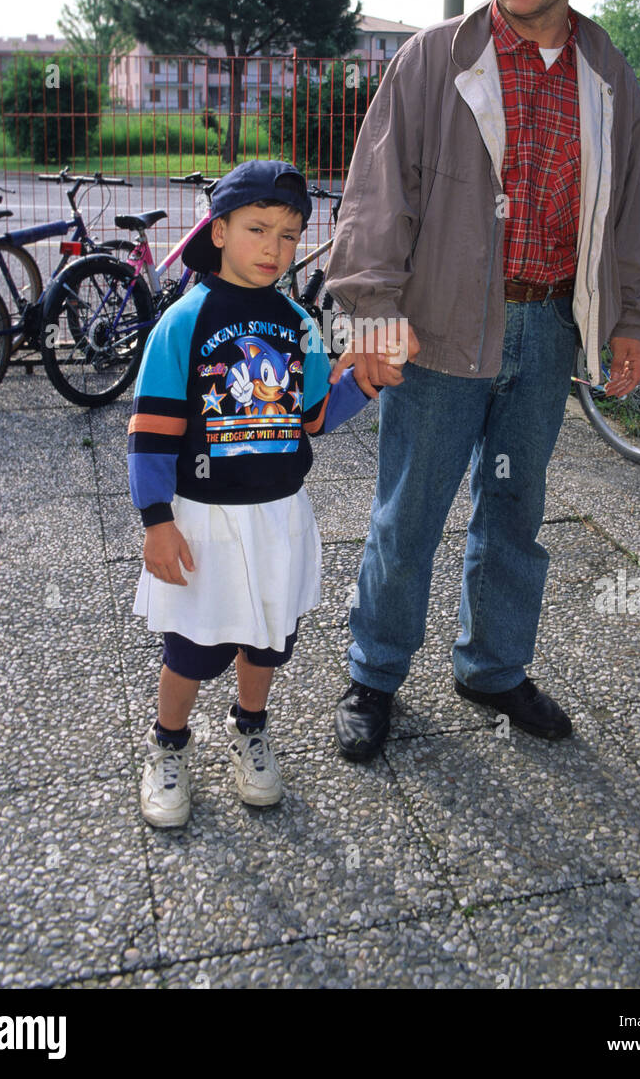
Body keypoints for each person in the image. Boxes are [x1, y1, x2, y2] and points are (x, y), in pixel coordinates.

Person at [326, 0, 640, 760]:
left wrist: (628, 321)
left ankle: (493, 668)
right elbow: (373, 197)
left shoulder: (608, 73)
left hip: (546, 331)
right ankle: (374, 672)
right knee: (410, 513)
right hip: (436, 332)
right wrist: (365, 314)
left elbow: (625, 211)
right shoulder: (434, 58)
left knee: (513, 511)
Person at [129, 160, 372, 827]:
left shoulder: (298, 322)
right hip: (201, 519)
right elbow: (149, 433)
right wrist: (156, 521)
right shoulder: (183, 322)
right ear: (218, 231)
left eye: (289, 235)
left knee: (266, 640)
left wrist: (367, 382)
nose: (273, 248)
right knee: (192, 649)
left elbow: (314, 416)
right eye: (257, 229)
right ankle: (168, 745)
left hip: (277, 518)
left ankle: (249, 728)